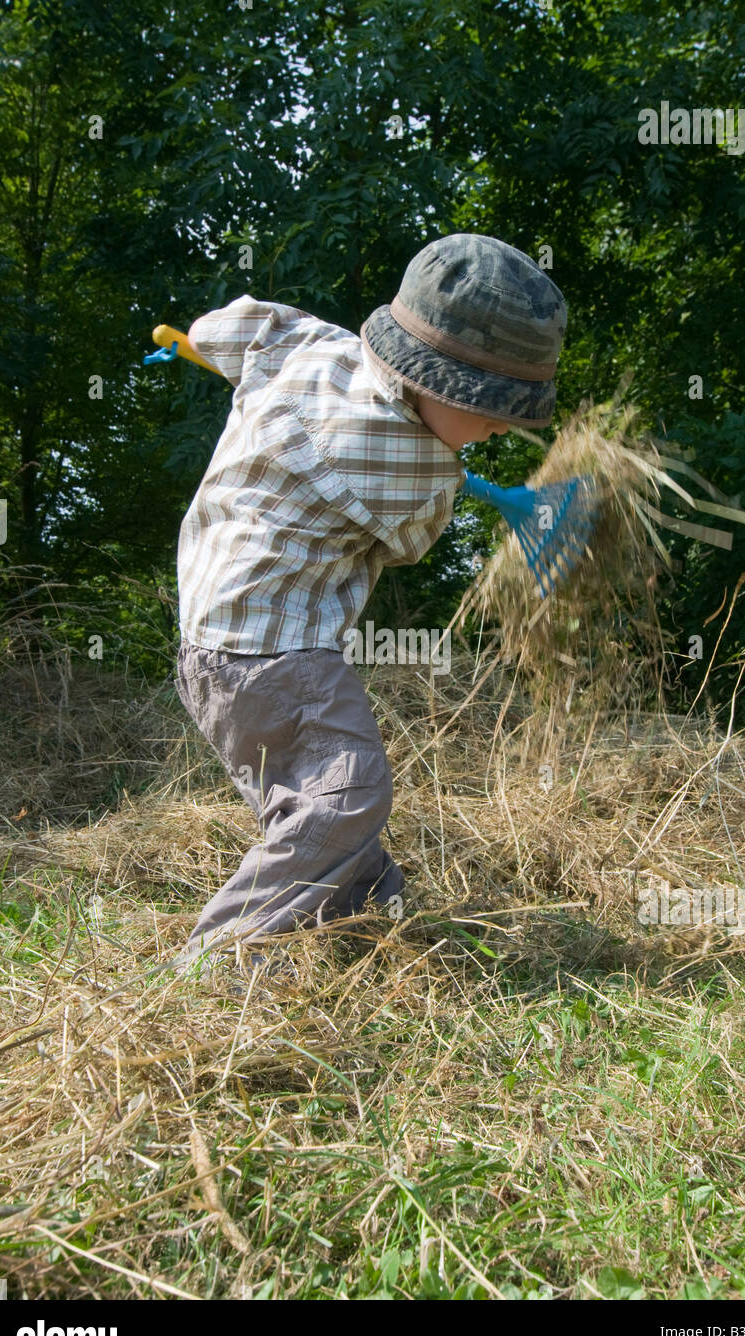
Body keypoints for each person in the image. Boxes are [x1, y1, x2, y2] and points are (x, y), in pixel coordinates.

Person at [173, 232, 567, 976]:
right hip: (274, 651)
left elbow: (226, 328)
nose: (500, 427)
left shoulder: (305, 342)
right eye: (492, 411)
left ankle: (361, 928)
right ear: (440, 385)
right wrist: (448, 473)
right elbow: (411, 542)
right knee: (345, 794)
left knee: (312, 798)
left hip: (211, 644)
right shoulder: (411, 464)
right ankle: (221, 963)